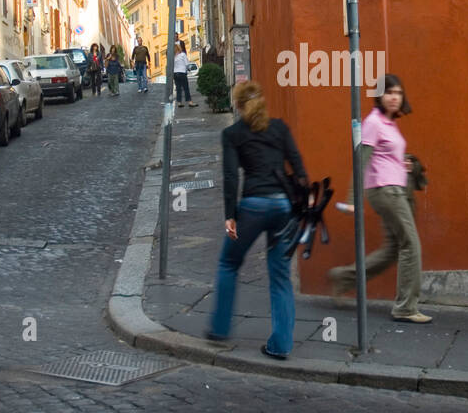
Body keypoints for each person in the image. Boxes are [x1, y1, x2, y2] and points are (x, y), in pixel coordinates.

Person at [208, 81, 308, 359]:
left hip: (253, 207)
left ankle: (219, 328)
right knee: (280, 276)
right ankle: (280, 345)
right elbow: (298, 165)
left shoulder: (232, 133)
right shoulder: (279, 128)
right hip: (282, 207)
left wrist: (230, 216)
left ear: (238, 106)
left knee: (229, 263)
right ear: (262, 102)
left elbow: (230, 176)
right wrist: (303, 200)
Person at [326, 74, 431, 323]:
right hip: (385, 191)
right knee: (411, 245)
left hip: (393, 189)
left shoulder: (390, 123)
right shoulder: (373, 122)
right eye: (389, 93)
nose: (394, 98)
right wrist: (353, 198)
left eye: (398, 93)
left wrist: (403, 164)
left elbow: (384, 157)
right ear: (379, 96)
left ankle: (343, 277)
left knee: (393, 249)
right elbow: (361, 160)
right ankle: (405, 307)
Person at [173, 40, 198, 108]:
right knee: (185, 88)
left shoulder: (173, 57)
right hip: (182, 73)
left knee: (178, 88)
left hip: (175, 73)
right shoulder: (183, 55)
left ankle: (179, 102)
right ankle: (190, 102)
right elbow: (187, 64)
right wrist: (188, 69)